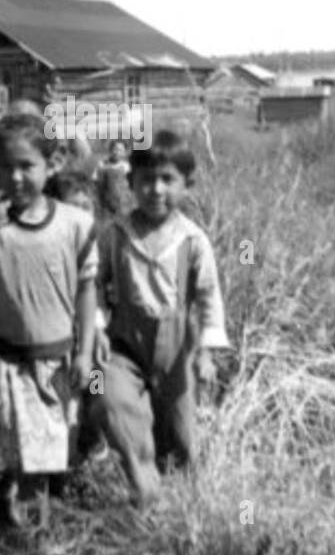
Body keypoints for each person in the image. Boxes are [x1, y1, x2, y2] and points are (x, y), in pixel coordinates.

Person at [0, 113, 97, 555]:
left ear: (51, 165)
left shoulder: (75, 223)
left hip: (55, 360)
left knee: (47, 454)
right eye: (6, 166)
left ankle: (41, 534)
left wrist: (85, 352)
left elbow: (87, 288)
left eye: (28, 165)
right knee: (2, 449)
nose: (16, 177)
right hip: (2, 358)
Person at [89, 128, 230, 507]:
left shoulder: (192, 239)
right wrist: (98, 327)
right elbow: (94, 284)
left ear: (188, 185)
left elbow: (208, 296)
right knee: (107, 398)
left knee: (181, 432)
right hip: (123, 344)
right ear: (131, 182)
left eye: (168, 180)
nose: (156, 189)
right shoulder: (115, 234)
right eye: (146, 180)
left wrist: (205, 352)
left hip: (176, 348)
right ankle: (143, 485)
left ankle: (184, 508)